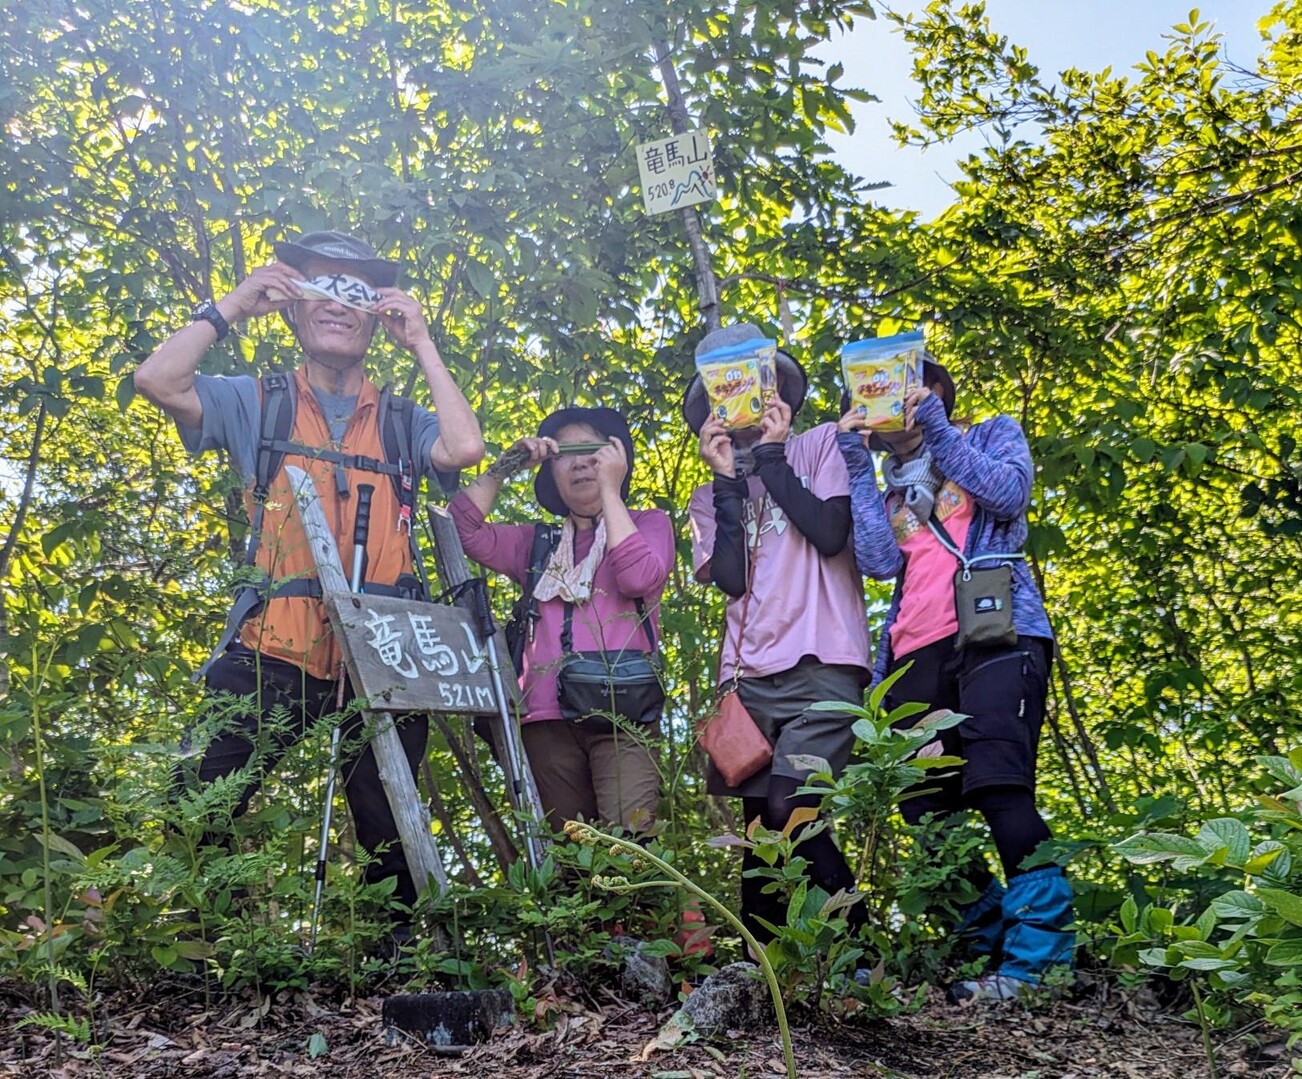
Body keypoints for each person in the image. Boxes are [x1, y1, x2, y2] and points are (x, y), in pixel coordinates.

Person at [135, 229, 485, 912]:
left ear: (374, 317)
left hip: (381, 655)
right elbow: (155, 380)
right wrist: (233, 305)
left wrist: (421, 340)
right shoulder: (257, 401)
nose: (337, 305)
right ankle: (219, 961)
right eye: (322, 287)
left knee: (392, 835)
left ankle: (395, 965)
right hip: (272, 642)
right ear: (294, 305)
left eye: (355, 293)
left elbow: (464, 445)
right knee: (198, 804)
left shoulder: (399, 420)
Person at [836, 356, 1073, 1002]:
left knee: (1001, 785)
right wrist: (858, 467)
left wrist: (939, 431)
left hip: (998, 633)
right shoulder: (890, 489)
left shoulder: (988, 433)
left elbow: (1010, 493)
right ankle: (991, 935)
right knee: (924, 808)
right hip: (916, 653)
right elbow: (881, 561)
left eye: (907, 388)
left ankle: (1040, 959)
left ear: (934, 391)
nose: (894, 405)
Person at [685, 324, 872, 946]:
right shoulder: (710, 493)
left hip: (825, 661)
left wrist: (772, 454)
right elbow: (733, 580)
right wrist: (729, 483)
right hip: (748, 680)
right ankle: (765, 966)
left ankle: (858, 944)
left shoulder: (820, 446)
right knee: (757, 828)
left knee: (791, 807)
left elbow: (830, 533)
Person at [449, 407, 671, 834]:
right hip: (546, 721)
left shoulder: (649, 524)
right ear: (550, 473)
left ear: (616, 459)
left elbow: (638, 575)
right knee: (571, 863)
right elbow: (460, 528)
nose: (581, 462)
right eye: (564, 455)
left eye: (593, 450)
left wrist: (610, 492)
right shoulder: (537, 543)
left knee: (632, 849)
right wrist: (508, 464)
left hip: (625, 710)